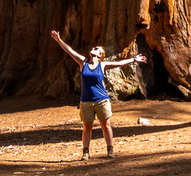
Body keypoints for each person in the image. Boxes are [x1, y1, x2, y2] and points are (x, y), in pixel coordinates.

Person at [50, 29, 147, 160]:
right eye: (93, 48)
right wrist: (58, 40)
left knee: (106, 126)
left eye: (96, 49)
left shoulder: (102, 65)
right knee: (87, 128)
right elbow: (70, 51)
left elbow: (119, 63)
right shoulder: (82, 62)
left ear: (100, 54)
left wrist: (134, 59)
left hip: (102, 100)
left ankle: (110, 150)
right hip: (86, 101)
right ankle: (86, 152)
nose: (93, 49)